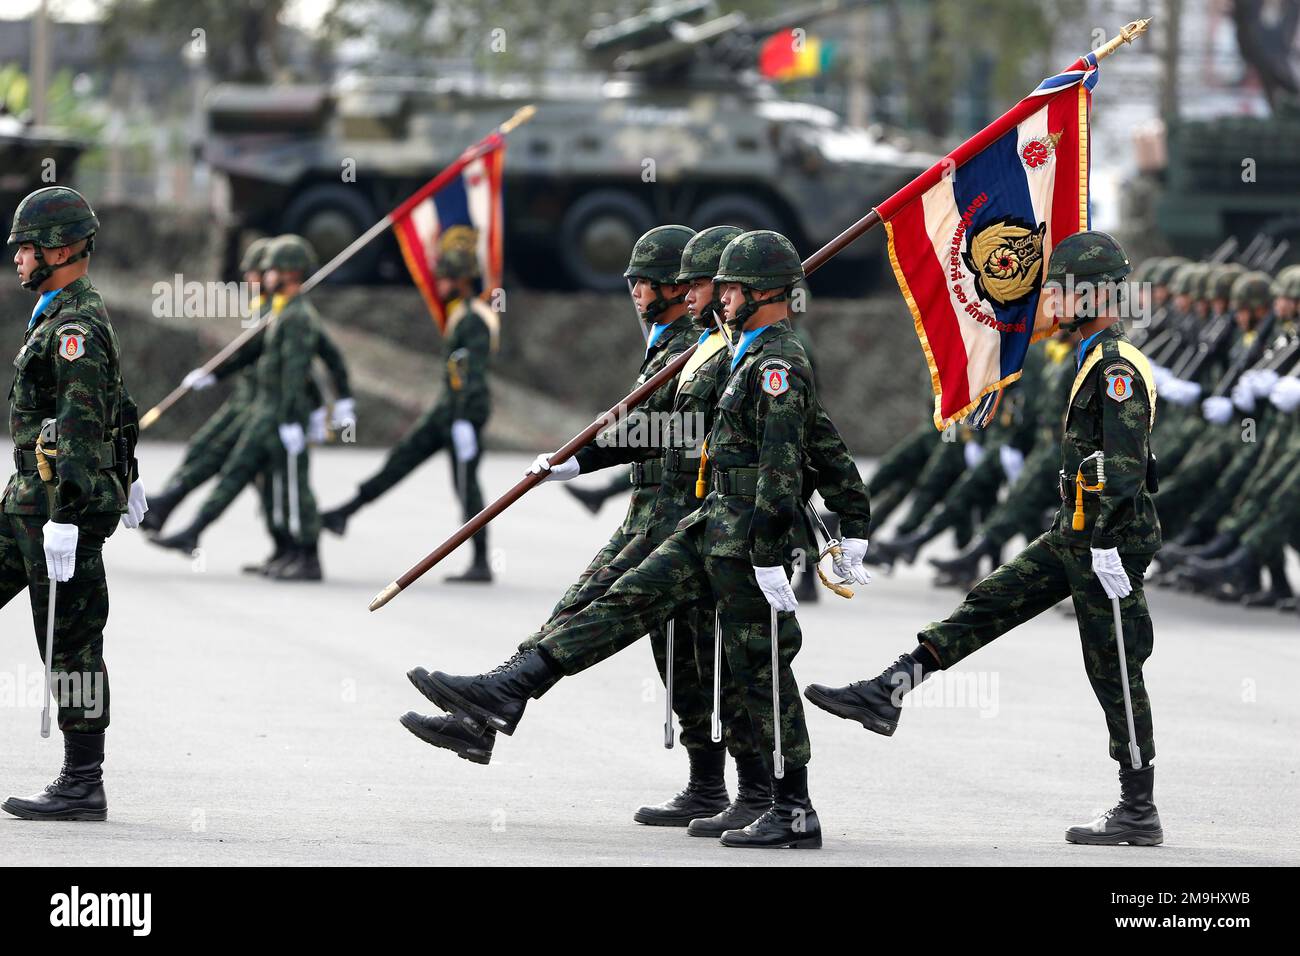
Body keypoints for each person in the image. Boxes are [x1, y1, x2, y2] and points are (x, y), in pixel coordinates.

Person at [406, 231, 872, 849]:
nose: (707, 295)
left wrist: (806, 542)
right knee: (626, 609)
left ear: (761, 292)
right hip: (709, 524)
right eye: (713, 285)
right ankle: (508, 690)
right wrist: (581, 459)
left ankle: (787, 804)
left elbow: (792, 456)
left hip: (740, 531)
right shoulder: (735, 350)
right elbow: (698, 428)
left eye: (720, 285)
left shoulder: (774, 361)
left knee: (753, 670)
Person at [805, 231, 1165, 847]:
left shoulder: (1116, 370)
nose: (1048, 302)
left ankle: (1139, 808)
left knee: (1115, 667)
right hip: (1075, 534)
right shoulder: (1089, 360)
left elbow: (1127, 470)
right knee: (987, 602)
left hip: (1110, 541)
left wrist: (1106, 542)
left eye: (1057, 291)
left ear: (1092, 296)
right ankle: (889, 692)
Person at [2, 186, 147, 821]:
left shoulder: (76, 328)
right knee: (67, 639)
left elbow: (85, 424)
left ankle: (82, 780)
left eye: (26, 248)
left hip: (59, 507)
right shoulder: (64, 311)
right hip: (28, 502)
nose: (18, 259)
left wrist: (69, 516)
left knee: (71, 643)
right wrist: (133, 473)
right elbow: (119, 404)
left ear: (59, 250)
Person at [319, 226, 499, 583]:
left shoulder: (474, 319)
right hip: (447, 409)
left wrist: (464, 420)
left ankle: (481, 562)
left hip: (463, 411)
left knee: (467, 486)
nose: (440, 284)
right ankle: (346, 511)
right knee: (401, 459)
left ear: (462, 280)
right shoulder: (460, 314)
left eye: (446, 278)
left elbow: (471, 372)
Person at [152, 235, 329, 580]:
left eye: (272, 270)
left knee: (288, 483)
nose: (264, 276)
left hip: (278, 410)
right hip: (268, 408)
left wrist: (299, 418)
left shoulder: (297, 317)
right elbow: (252, 355)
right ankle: (282, 548)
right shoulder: (281, 311)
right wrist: (210, 376)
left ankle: (306, 555)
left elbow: (296, 372)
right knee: (255, 476)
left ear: (291, 274)